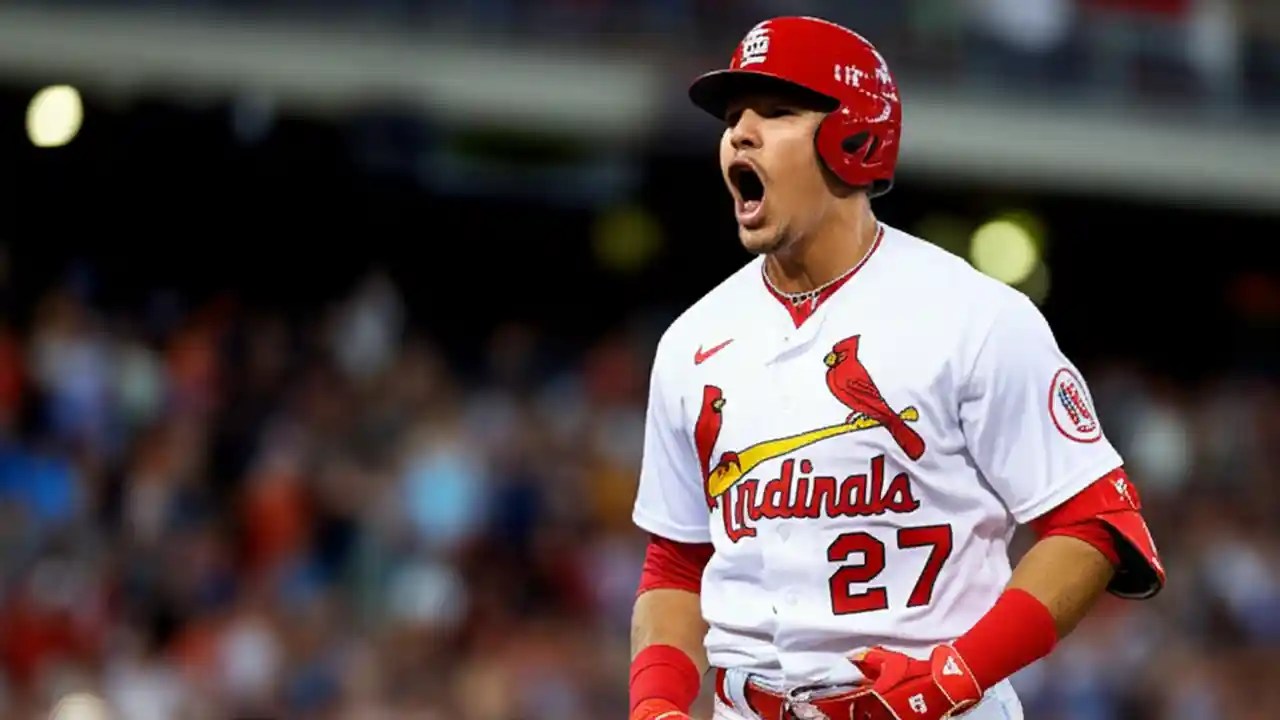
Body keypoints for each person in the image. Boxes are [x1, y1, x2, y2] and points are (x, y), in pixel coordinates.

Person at [627, 15, 1164, 720]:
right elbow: (677, 561)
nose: (741, 134)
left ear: (855, 138)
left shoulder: (974, 316)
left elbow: (1094, 524)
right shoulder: (692, 340)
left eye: (778, 112)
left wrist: (959, 672)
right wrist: (656, 701)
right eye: (732, 119)